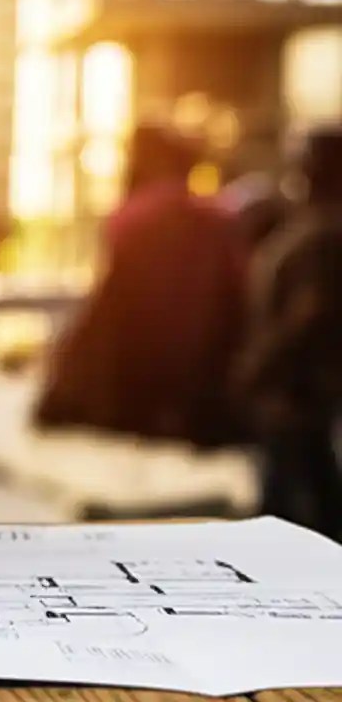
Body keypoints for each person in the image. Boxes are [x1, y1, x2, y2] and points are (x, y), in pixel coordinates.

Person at [35, 123, 248, 448]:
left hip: (143, 375)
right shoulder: (218, 216)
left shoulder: (135, 218)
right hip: (205, 380)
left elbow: (112, 306)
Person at [238, 126, 342, 540]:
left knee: (302, 507)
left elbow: (309, 315)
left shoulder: (324, 237)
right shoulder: (310, 228)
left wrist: (259, 368)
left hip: (301, 397)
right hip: (291, 398)